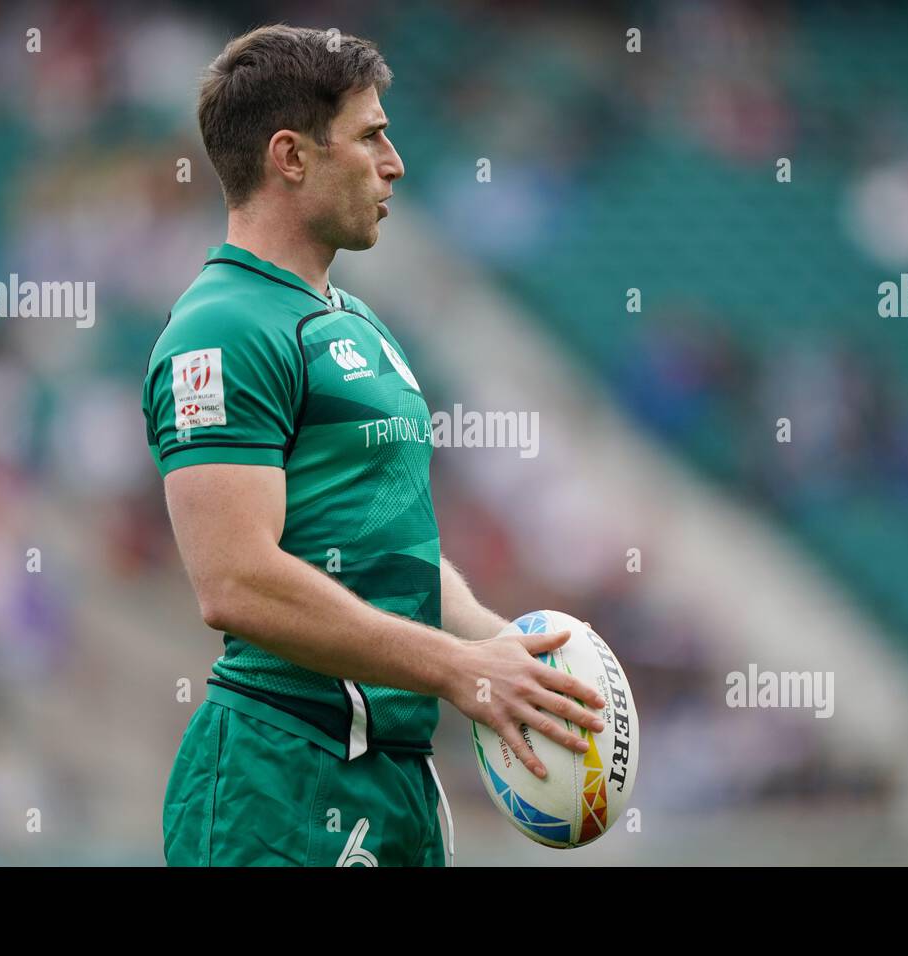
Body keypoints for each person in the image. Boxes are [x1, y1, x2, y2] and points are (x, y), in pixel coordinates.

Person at [141, 24, 605, 867]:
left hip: (392, 776)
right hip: (278, 777)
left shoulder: (360, 326)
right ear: (290, 155)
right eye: (369, 136)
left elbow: (392, 556)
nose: (394, 163)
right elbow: (235, 583)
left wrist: (500, 651)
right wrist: (455, 670)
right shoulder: (219, 329)